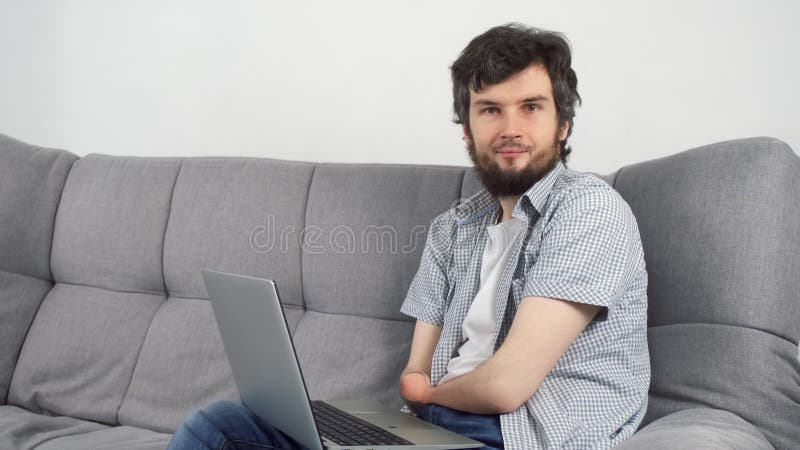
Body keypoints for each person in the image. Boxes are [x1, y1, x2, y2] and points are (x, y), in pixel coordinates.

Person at [167, 23, 650, 450]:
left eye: (530, 107)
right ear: (467, 130)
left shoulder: (589, 209)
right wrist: (416, 402)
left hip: (518, 435)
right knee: (218, 425)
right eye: (489, 110)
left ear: (563, 124)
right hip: (429, 429)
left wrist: (429, 399)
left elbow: (505, 386)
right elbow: (414, 375)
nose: (510, 128)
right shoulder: (451, 230)